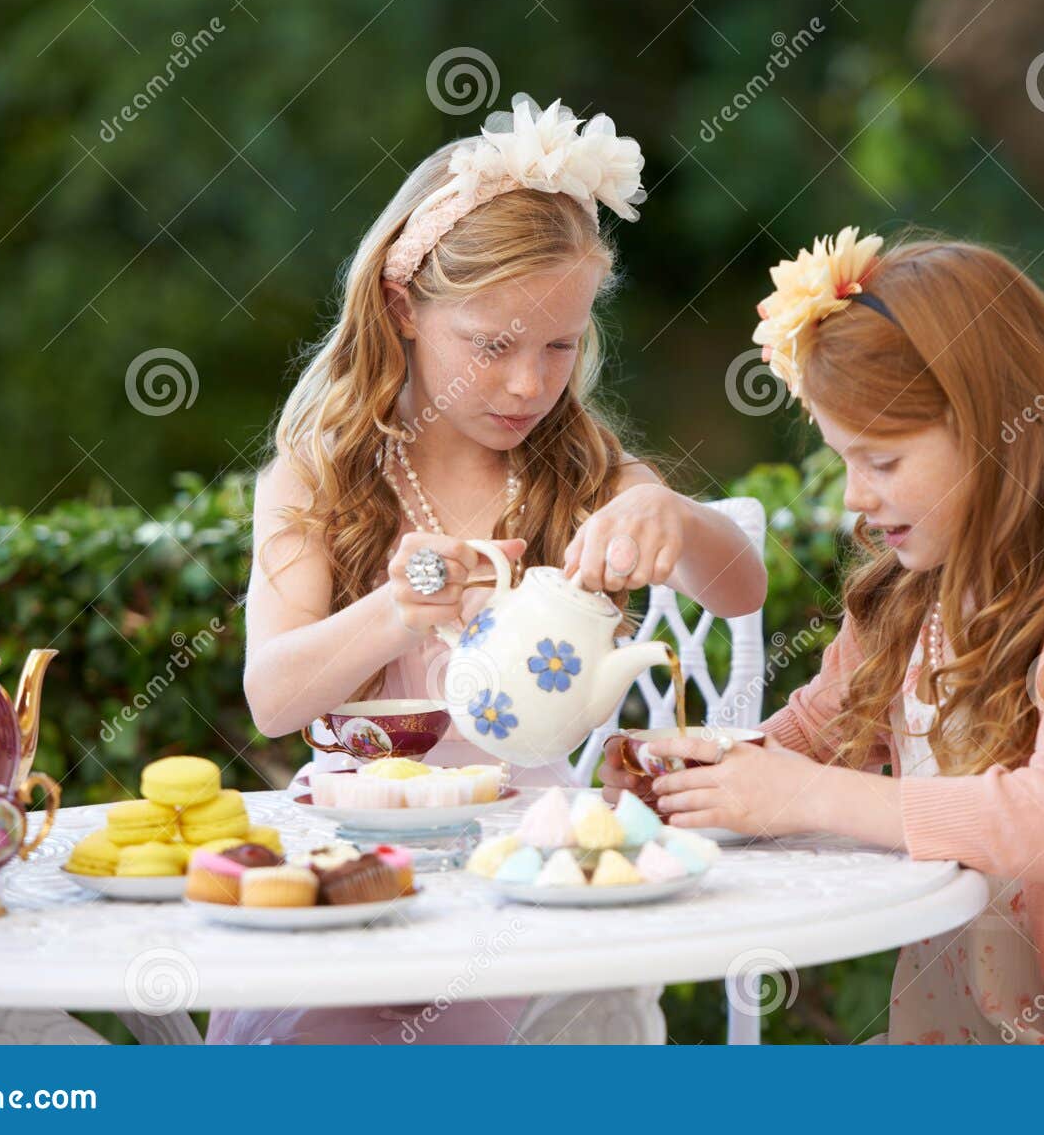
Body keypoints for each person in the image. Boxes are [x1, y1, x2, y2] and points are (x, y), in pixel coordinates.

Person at [217, 94, 766, 1045]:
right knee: (330, 1039)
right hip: (354, 855)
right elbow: (273, 699)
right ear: (403, 307)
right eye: (493, 346)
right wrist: (400, 608)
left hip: (530, 864)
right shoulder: (319, 477)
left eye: (560, 346)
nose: (529, 383)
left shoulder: (585, 475)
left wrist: (674, 514)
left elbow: (742, 588)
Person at [603, 231, 1044, 1044]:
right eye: (844, 460)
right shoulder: (908, 603)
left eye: (882, 461)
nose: (855, 497)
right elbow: (815, 737)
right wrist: (698, 775)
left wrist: (807, 796)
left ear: (1003, 433)